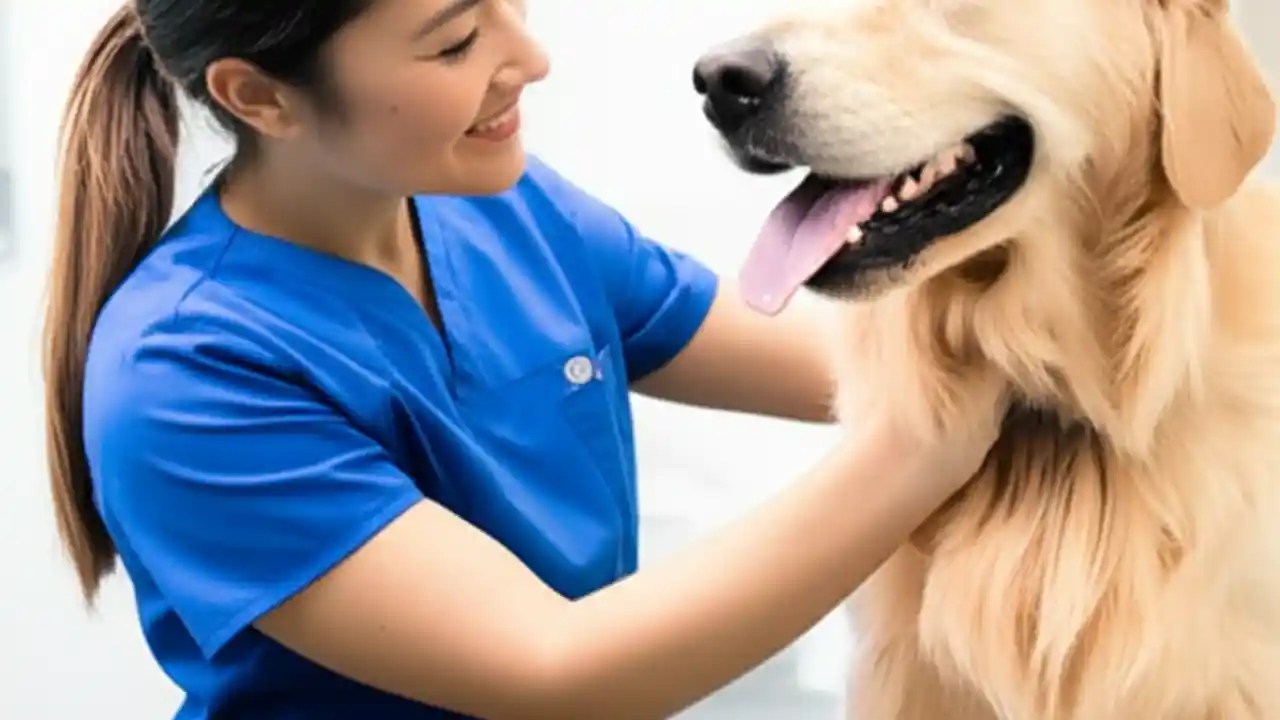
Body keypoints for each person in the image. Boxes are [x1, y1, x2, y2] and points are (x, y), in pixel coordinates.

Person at [42, 1, 1004, 718]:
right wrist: (921, 451)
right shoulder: (182, 378)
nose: (530, 59)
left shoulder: (505, 209)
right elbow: (554, 672)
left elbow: (844, 365)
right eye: (456, 43)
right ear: (259, 96)